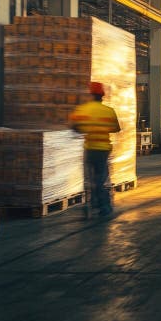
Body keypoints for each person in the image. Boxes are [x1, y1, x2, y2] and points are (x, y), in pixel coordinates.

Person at [70, 82, 121, 219]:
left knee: (89, 179)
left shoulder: (82, 110)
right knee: (100, 179)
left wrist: (86, 128)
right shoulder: (109, 111)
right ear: (102, 96)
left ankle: (92, 203)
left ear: (91, 95)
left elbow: (74, 127)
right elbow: (116, 128)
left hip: (89, 149)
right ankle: (104, 206)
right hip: (103, 150)